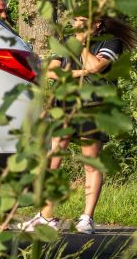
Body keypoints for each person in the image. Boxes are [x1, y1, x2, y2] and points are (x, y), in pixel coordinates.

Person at [22, 13, 133, 234]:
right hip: (65, 105)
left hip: (94, 107)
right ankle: (46, 216)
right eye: (75, 20)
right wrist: (77, 71)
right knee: (54, 158)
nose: (76, 25)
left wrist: (82, 45)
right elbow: (51, 70)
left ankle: (87, 218)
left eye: (82, 20)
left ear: (97, 23)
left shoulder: (111, 41)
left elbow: (95, 66)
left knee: (90, 163)